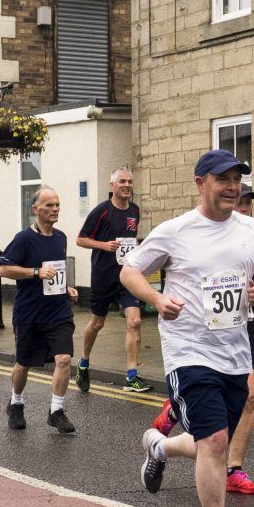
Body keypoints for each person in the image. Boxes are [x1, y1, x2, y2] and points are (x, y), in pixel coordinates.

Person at [121, 150, 254, 507]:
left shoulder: (250, 228)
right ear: (200, 183)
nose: (232, 187)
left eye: (236, 179)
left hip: (235, 352)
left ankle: (160, 446)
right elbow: (130, 271)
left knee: (213, 442)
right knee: (217, 443)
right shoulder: (176, 231)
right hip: (188, 352)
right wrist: (155, 298)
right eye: (223, 179)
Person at [151, 183, 254, 495]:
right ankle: (178, 416)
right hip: (195, 338)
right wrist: (159, 299)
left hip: (238, 326)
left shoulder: (249, 231)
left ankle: (233, 468)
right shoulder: (189, 231)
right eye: (240, 201)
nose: (244, 207)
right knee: (212, 437)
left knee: (249, 396)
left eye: (248, 203)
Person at [0, 187, 80, 433]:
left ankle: (56, 410)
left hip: (58, 311)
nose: (55, 209)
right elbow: (3, 269)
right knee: (23, 364)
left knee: (64, 359)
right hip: (29, 313)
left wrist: (66, 288)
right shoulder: (24, 238)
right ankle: (16, 403)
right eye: (49, 205)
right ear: (35, 209)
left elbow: (54, 272)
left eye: (57, 205)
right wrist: (34, 272)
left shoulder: (61, 238)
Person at [75, 167, 150, 393]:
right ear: (112, 186)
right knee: (98, 323)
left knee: (135, 321)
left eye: (129, 181)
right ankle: (83, 362)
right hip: (104, 276)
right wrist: (103, 245)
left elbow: (130, 238)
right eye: (122, 182)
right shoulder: (102, 211)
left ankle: (131, 376)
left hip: (127, 276)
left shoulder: (135, 210)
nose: (127, 185)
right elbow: (81, 239)